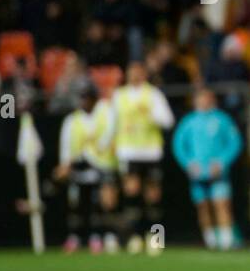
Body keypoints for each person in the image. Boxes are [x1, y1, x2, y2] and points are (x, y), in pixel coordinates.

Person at [112, 60, 175, 255]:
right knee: (132, 193)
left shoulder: (153, 95)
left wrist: (151, 114)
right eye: (131, 72)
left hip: (151, 151)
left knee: (153, 196)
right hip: (129, 151)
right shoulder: (119, 95)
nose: (135, 75)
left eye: (138, 72)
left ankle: (156, 238)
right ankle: (135, 238)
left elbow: (168, 120)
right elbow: (112, 123)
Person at [173, 86, 243, 250]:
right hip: (198, 173)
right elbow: (179, 145)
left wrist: (222, 162)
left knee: (221, 204)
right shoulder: (189, 121)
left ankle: (227, 241)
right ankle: (210, 240)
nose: (203, 101)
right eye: (200, 98)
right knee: (203, 206)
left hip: (218, 172)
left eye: (206, 98)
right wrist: (188, 163)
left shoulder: (222, 119)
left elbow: (235, 143)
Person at [54, 86, 117, 253]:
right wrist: (65, 164)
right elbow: (66, 146)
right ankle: (74, 237)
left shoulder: (104, 113)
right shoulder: (71, 120)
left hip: (101, 165)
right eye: (82, 98)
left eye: (87, 98)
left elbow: (108, 136)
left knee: (100, 202)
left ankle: (99, 236)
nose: (84, 102)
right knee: (76, 203)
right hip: (78, 167)